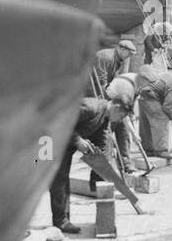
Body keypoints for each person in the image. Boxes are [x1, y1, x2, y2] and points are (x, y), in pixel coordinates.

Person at [50, 96, 129, 234]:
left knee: (62, 181)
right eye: (121, 116)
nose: (120, 121)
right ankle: (60, 221)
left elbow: (101, 143)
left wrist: (99, 176)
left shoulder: (104, 118)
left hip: (65, 145)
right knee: (58, 181)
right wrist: (78, 140)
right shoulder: (91, 108)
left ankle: (63, 220)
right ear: (116, 108)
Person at [135, 64, 172, 160]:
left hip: (143, 92)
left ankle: (148, 149)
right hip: (150, 93)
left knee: (146, 123)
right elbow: (167, 108)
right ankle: (161, 150)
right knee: (161, 118)